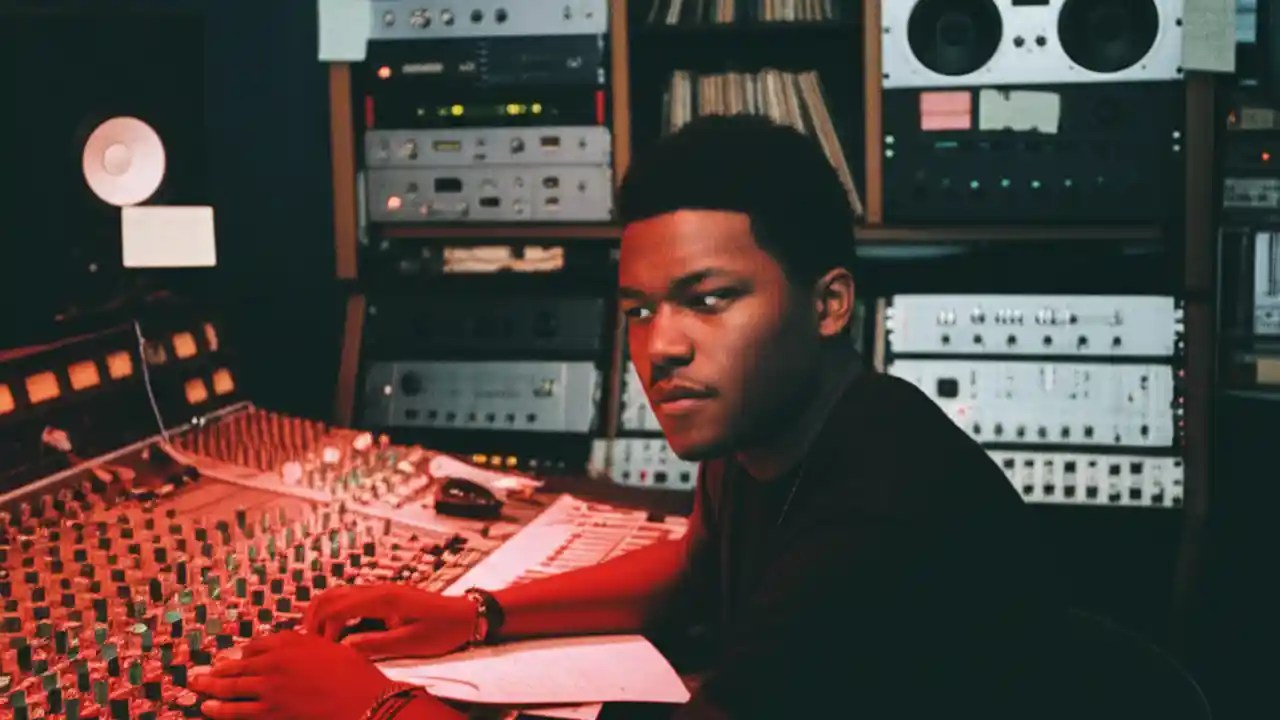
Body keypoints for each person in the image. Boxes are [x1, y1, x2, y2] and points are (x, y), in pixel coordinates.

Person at [190, 115, 1064, 719]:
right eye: (640, 309)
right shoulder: (771, 429)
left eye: (709, 299)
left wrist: (370, 705)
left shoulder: (876, 521)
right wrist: (474, 614)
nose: (662, 347)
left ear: (830, 303)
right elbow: (694, 566)